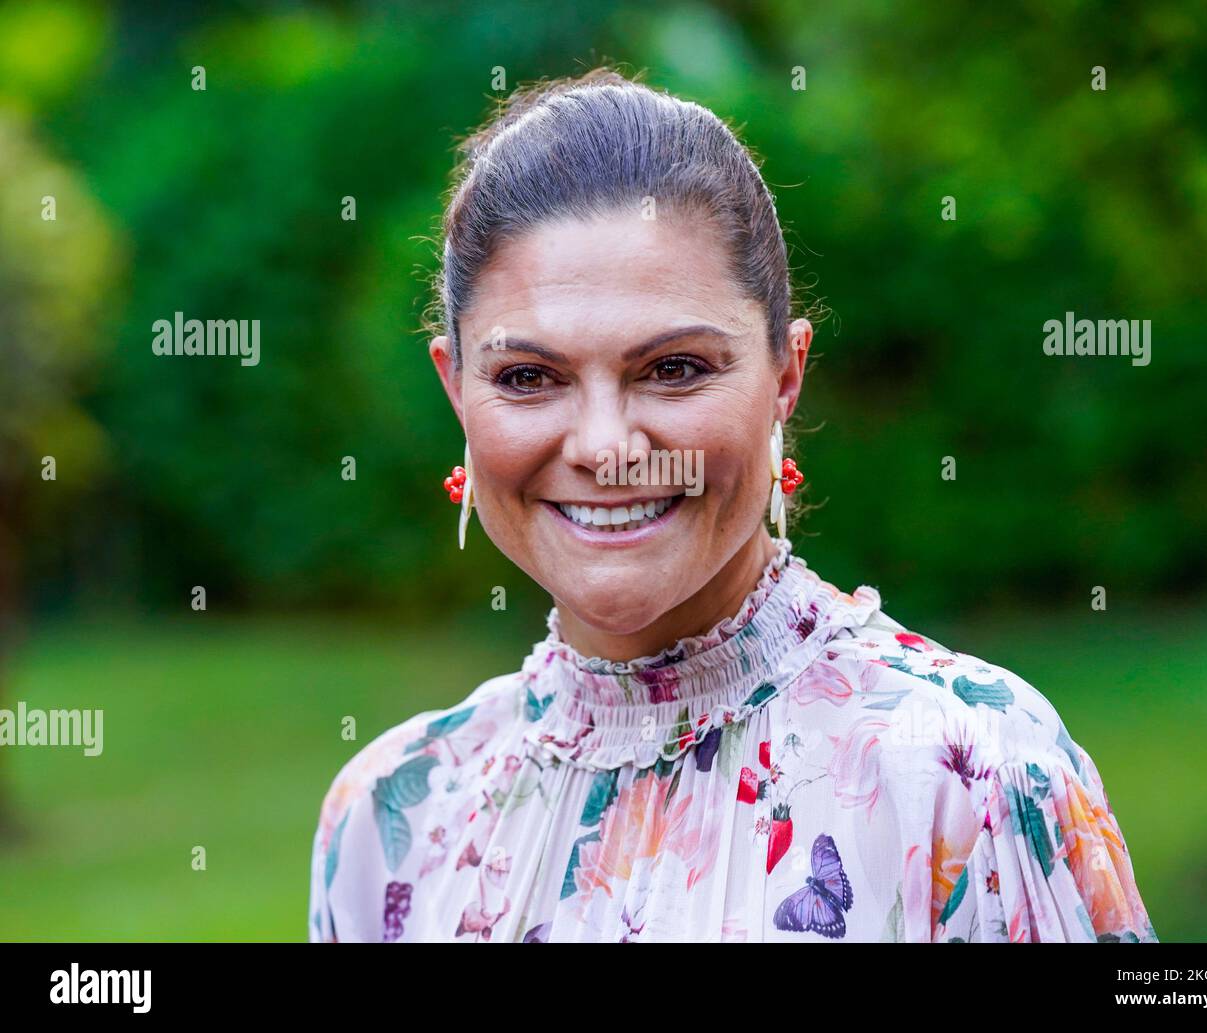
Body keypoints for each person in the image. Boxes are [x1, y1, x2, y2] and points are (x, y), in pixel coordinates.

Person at [307, 68, 1158, 943]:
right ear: (456, 389)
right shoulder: (389, 821)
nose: (606, 448)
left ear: (786, 374)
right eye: (529, 377)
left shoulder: (968, 774)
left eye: (674, 368)